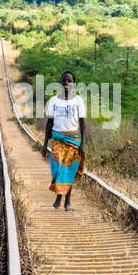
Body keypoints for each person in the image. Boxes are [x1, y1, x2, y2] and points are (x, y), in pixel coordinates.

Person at [41, 72, 86, 211]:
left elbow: (82, 123)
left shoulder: (78, 100)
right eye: (64, 80)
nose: (67, 83)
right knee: (57, 168)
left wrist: (83, 144)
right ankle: (60, 194)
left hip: (73, 139)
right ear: (60, 82)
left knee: (69, 170)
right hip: (58, 139)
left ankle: (66, 201)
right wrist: (44, 143)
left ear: (73, 83)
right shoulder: (54, 100)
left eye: (70, 80)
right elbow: (49, 122)